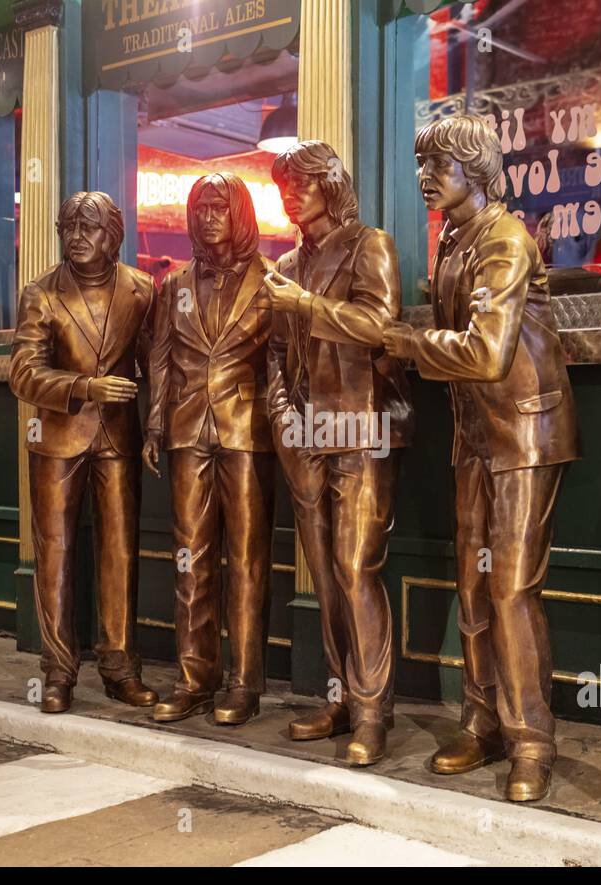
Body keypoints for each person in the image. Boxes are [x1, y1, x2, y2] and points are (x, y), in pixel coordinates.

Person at [383, 115, 582, 802]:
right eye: (419, 163)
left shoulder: (504, 238)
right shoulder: (453, 238)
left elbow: (488, 355)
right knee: (473, 583)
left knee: (511, 588)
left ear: (475, 167)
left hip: (525, 432)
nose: (424, 177)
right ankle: (483, 719)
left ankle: (532, 738)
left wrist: (406, 343)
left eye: (436, 164)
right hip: (474, 434)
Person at [261, 140, 414, 766]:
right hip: (304, 437)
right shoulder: (289, 262)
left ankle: (374, 710)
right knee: (322, 575)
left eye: (302, 182)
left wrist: (307, 307)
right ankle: (340, 697)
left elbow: (381, 328)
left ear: (332, 183)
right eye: (283, 185)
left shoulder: (369, 245)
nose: (291, 194)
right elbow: (273, 352)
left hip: (361, 428)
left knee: (356, 569)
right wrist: (280, 418)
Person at [9, 191, 158, 714]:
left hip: (119, 440)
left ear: (113, 235)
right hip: (57, 440)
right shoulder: (41, 294)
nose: (76, 235)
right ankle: (58, 671)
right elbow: (23, 372)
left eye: (89, 227)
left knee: (119, 554)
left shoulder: (141, 289)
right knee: (56, 555)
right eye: (68, 225)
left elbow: (154, 364)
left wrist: (157, 422)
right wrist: (83, 388)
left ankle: (120, 667)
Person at [142, 172, 277, 726]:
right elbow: (160, 360)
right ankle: (195, 677)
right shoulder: (173, 285)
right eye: (200, 207)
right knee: (190, 559)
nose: (209, 215)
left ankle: (245, 683)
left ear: (241, 213)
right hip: (187, 431)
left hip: (248, 433)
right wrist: (154, 426)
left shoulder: (273, 280)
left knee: (247, 560)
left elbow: (282, 365)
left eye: (220, 206)